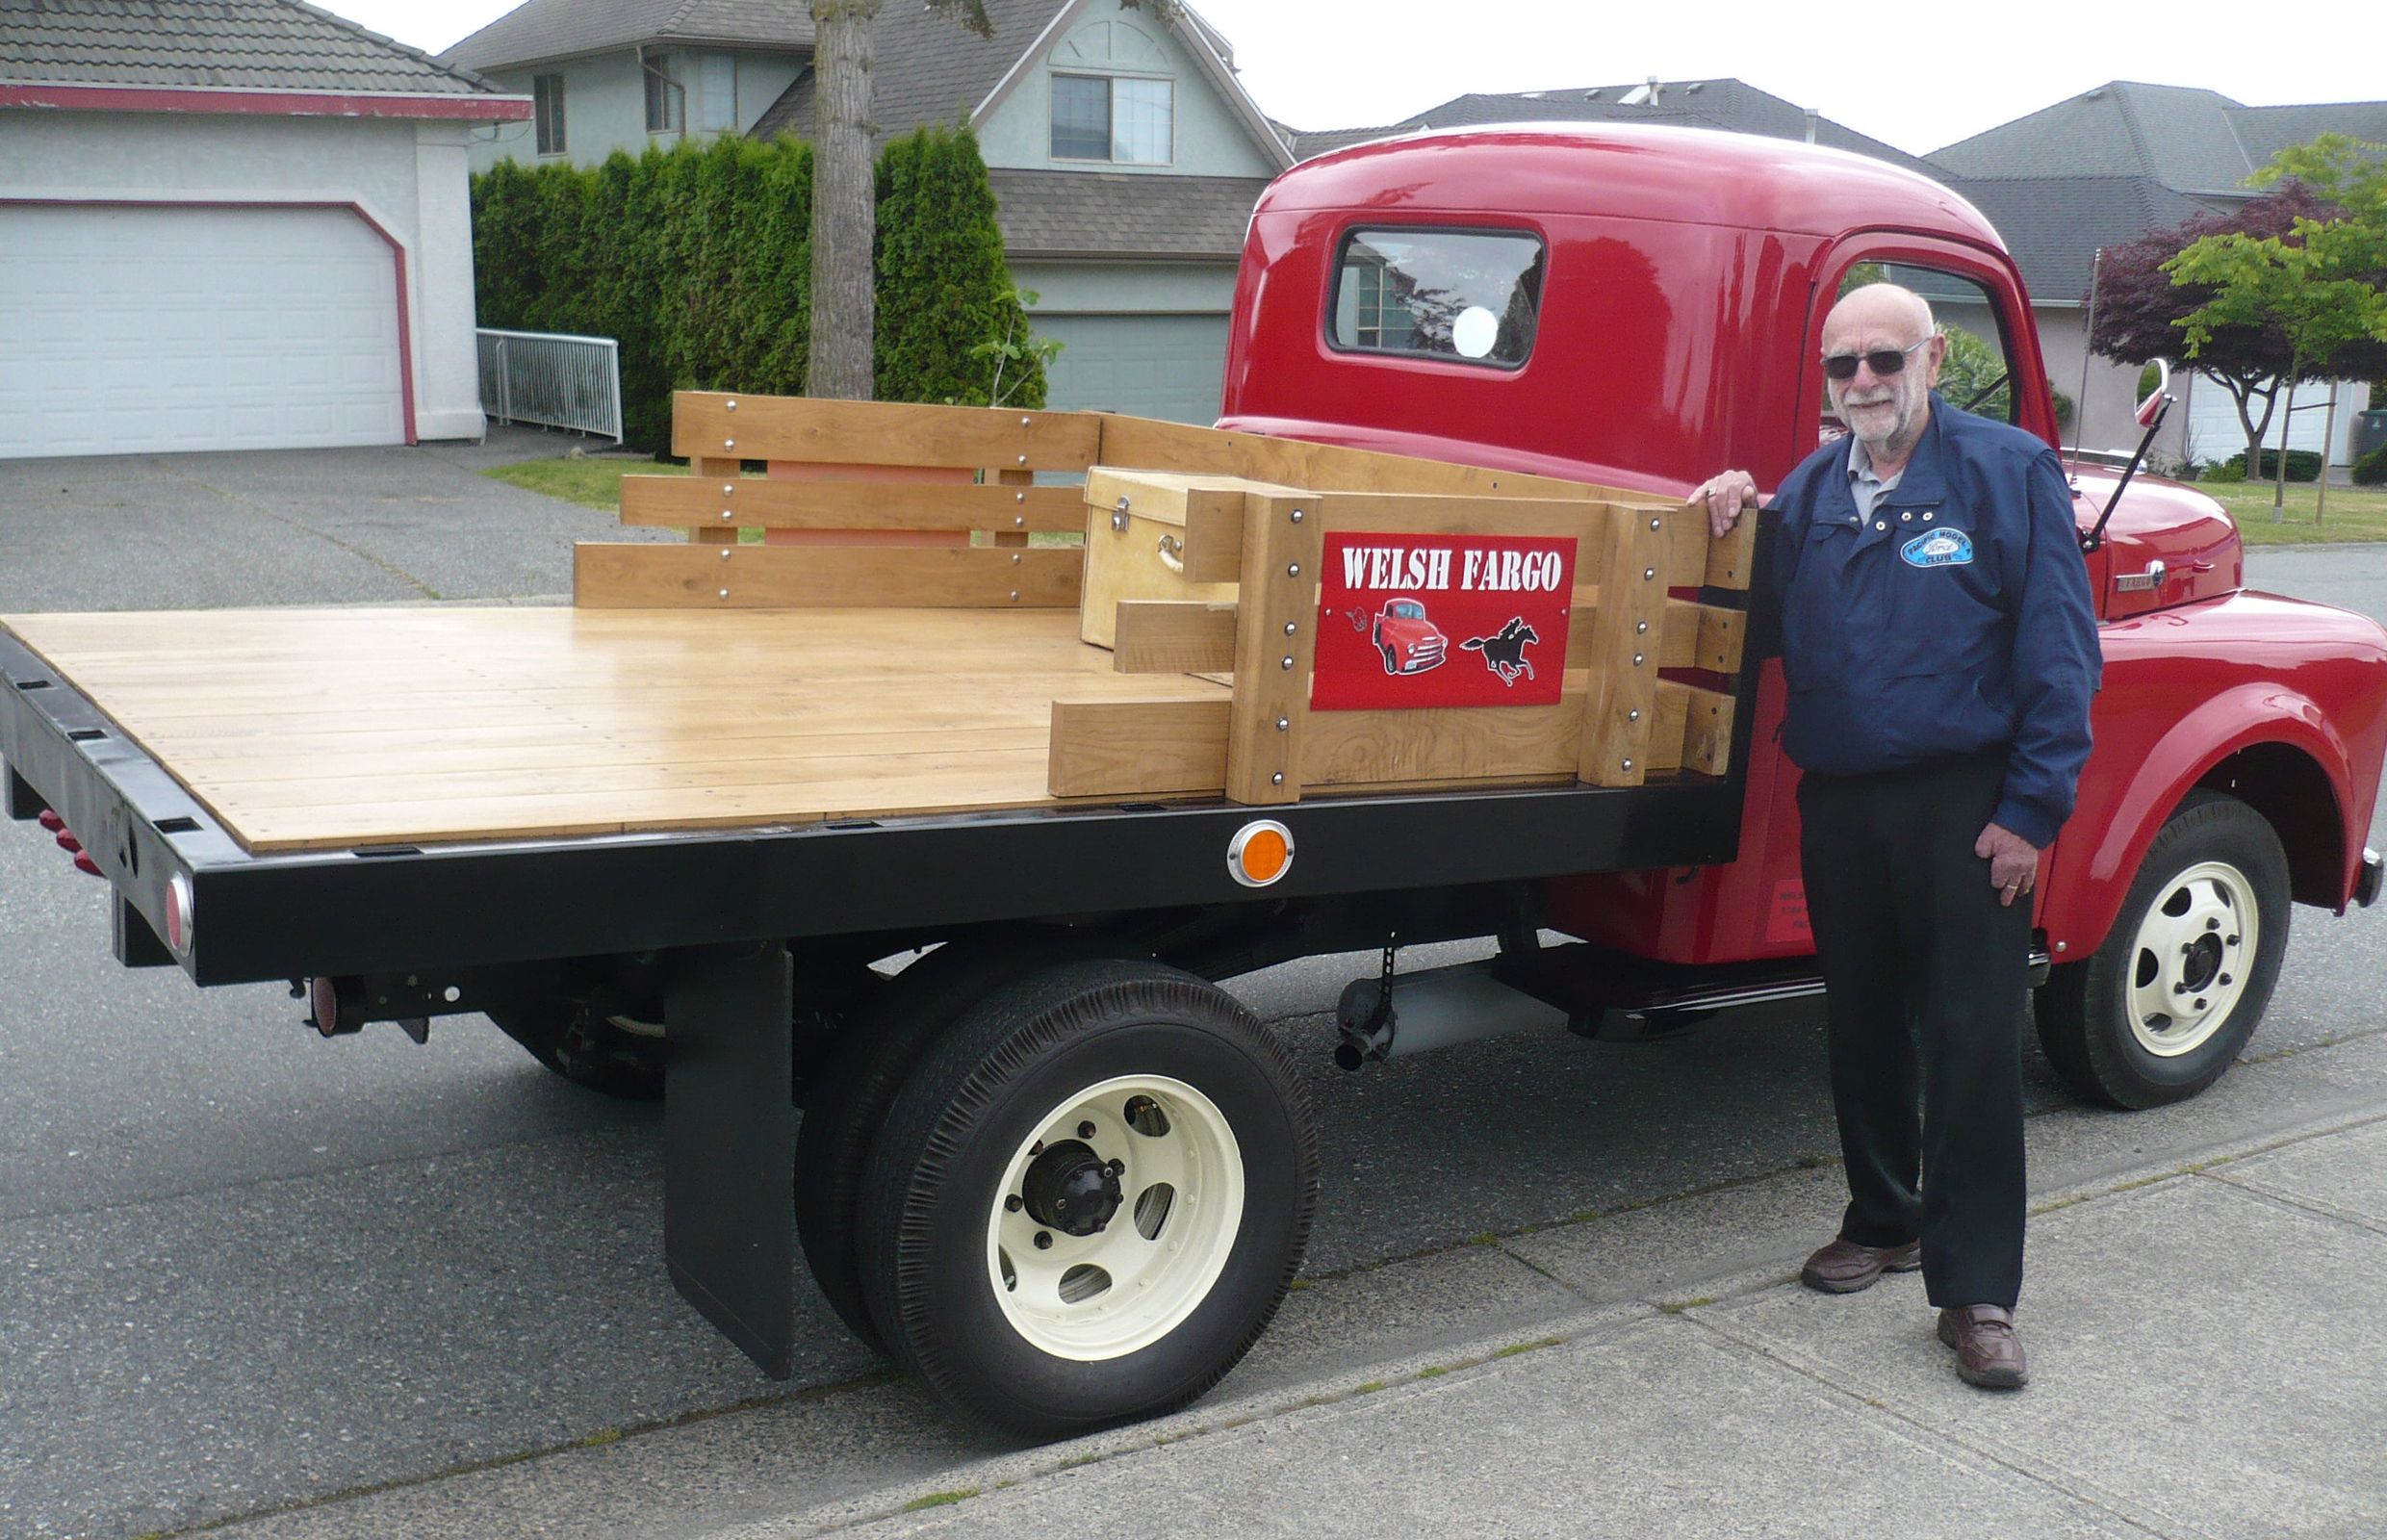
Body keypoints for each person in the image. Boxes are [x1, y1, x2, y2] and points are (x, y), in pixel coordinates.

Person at [1687, 282, 2099, 1390]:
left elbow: (2060, 652)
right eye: (1841, 366)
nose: (1862, 380)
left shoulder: (2005, 473)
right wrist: (1723, 516)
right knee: (1861, 1020)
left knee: (1968, 1037)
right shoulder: (1812, 492)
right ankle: (1883, 1215)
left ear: (1931, 358)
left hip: (1967, 807)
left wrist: (2028, 812)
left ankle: (1975, 1292)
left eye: (1882, 358)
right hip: (1843, 798)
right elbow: (1755, 624)